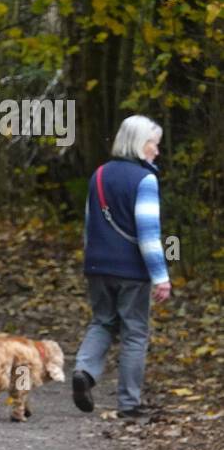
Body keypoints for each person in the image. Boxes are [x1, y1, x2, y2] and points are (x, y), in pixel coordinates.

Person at [73, 115, 171, 419]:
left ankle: (84, 372)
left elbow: (90, 226)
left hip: (98, 265)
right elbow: (149, 234)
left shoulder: (99, 175)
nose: (157, 150)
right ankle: (129, 404)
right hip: (132, 270)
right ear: (140, 144)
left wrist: (93, 260)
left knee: (102, 321)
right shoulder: (145, 180)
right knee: (135, 333)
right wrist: (161, 277)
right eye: (154, 143)